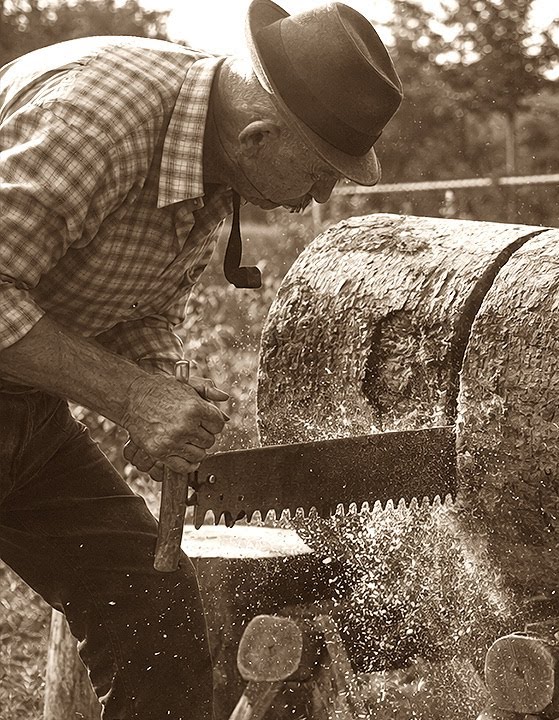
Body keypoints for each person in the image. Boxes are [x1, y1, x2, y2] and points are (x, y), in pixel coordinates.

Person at [0, 1, 401, 717]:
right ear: (259, 135)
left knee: (151, 614)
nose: (320, 198)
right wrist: (130, 398)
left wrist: (159, 388)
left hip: (21, 402)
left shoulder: (213, 160)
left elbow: (139, 301)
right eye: (321, 174)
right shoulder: (95, 123)